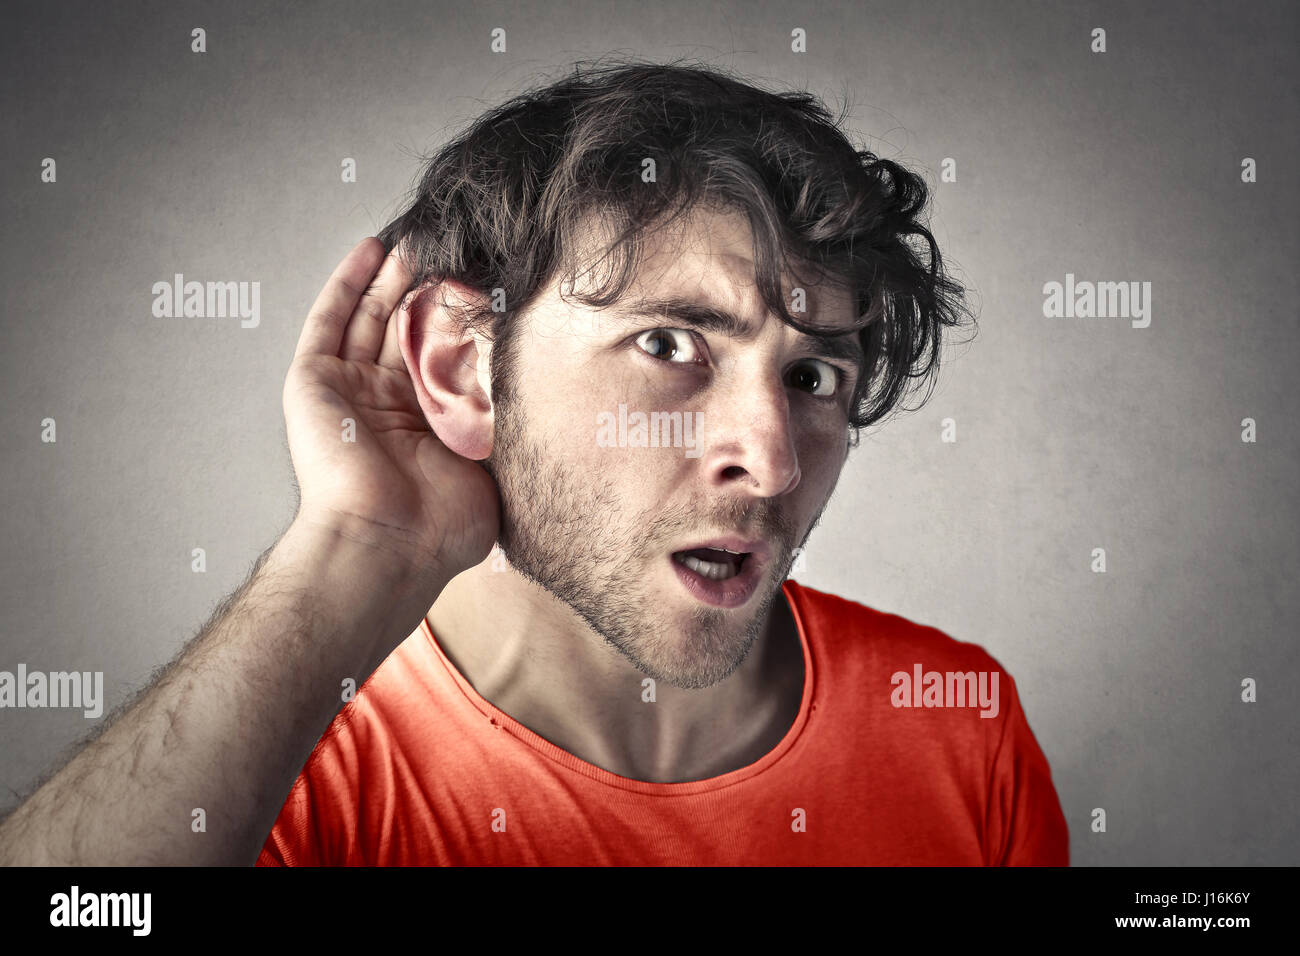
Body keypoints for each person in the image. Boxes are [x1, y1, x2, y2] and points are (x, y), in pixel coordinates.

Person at [0, 60, 1068, 866]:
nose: (773, 461)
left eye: (812, 376)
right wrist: (354, 545)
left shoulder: (956, 721)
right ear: (467, 369)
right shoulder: (272, 763)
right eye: (667, 346)